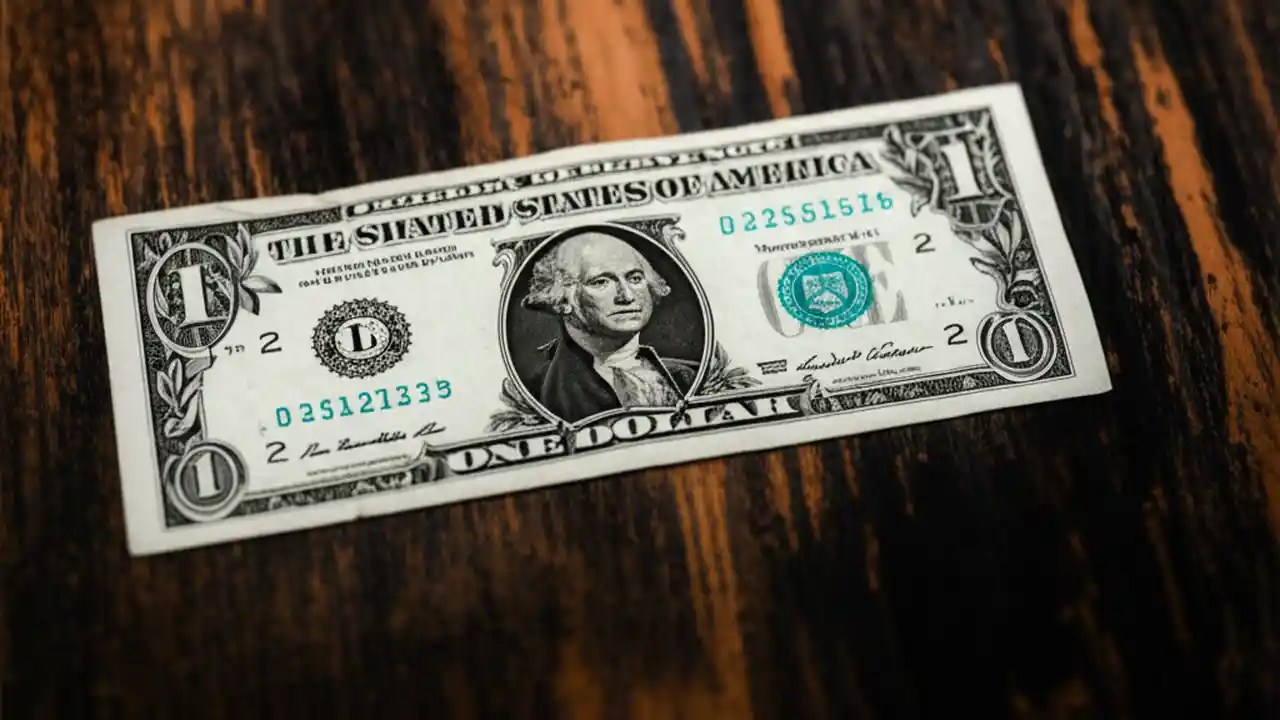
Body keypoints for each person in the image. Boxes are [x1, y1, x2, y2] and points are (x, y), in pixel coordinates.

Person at [522, 231, 697, 422]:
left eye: (635, 279)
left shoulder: (688, 376)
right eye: (601, 282)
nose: (627, 296)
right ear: (561, 298)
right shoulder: (534, 396)